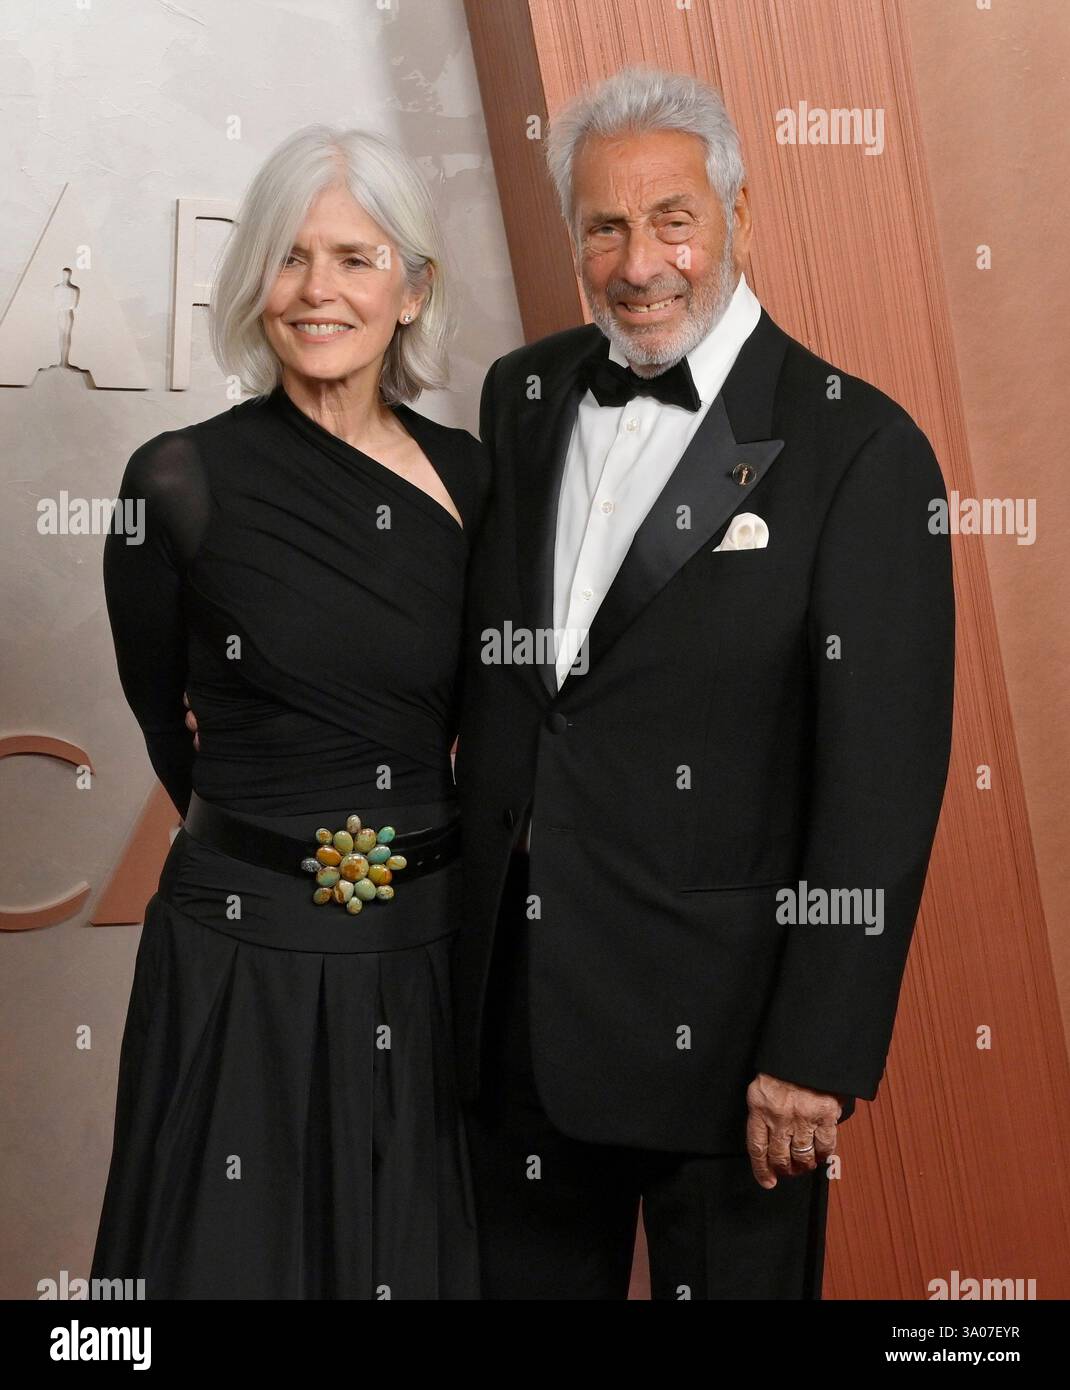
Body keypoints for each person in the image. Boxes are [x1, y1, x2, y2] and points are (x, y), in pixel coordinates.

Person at [451, 67, 955, 1299]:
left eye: (672, 218)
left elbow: (879, 786)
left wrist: (814, 1053)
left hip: (731, 1051)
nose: (639, 263)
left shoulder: (861, 446)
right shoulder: (521, 396)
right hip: (515, 1020)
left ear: (739, 211)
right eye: (605, 226)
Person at [92, 125, 488, 1299]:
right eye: (290, 257)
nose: (319, 291)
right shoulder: (174, 481)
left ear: (413, 289)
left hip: (424, 956)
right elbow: (162, 720)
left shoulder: (472, 476)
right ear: (253, 279)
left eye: (356, 259)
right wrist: (284, 853)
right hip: (240, 951)